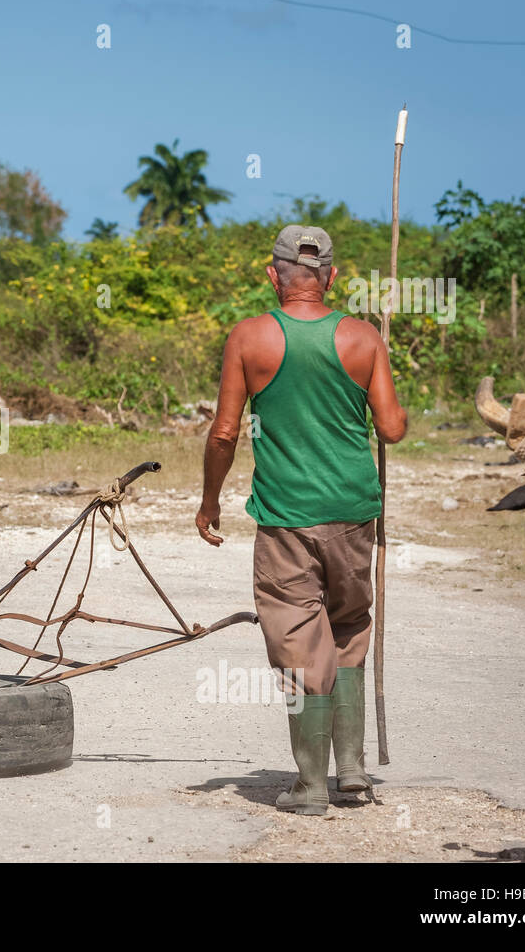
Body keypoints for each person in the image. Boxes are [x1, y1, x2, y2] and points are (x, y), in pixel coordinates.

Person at [196, 224, 407, 816]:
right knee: (348, 629)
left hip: (286, 518)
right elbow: (390, 428)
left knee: (296, 642)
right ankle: (355, 773)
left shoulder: (250, 337)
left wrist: (210, 503)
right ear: (332, 277)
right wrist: (387, 394)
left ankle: (312, 785)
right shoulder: (364, 339)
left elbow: (225, 433)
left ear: (273, 275)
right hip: (354, 511)